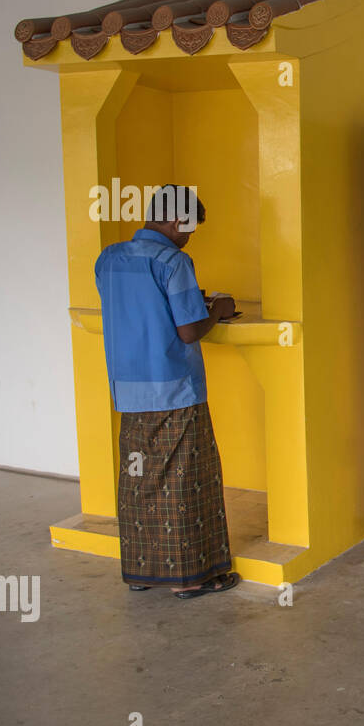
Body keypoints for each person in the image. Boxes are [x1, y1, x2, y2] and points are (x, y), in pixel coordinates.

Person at [93, 184, 241, 598]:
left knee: (139, 477)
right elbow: (188, 331)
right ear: (178, 221)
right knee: (185, 479)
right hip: (175, 390)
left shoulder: (108, 258)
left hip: (129, 389)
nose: (189, 236)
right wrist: (217, 310)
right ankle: (191, 578)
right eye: (190, 228)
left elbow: (134, 309)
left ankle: (142, 572)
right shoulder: (173, 260)